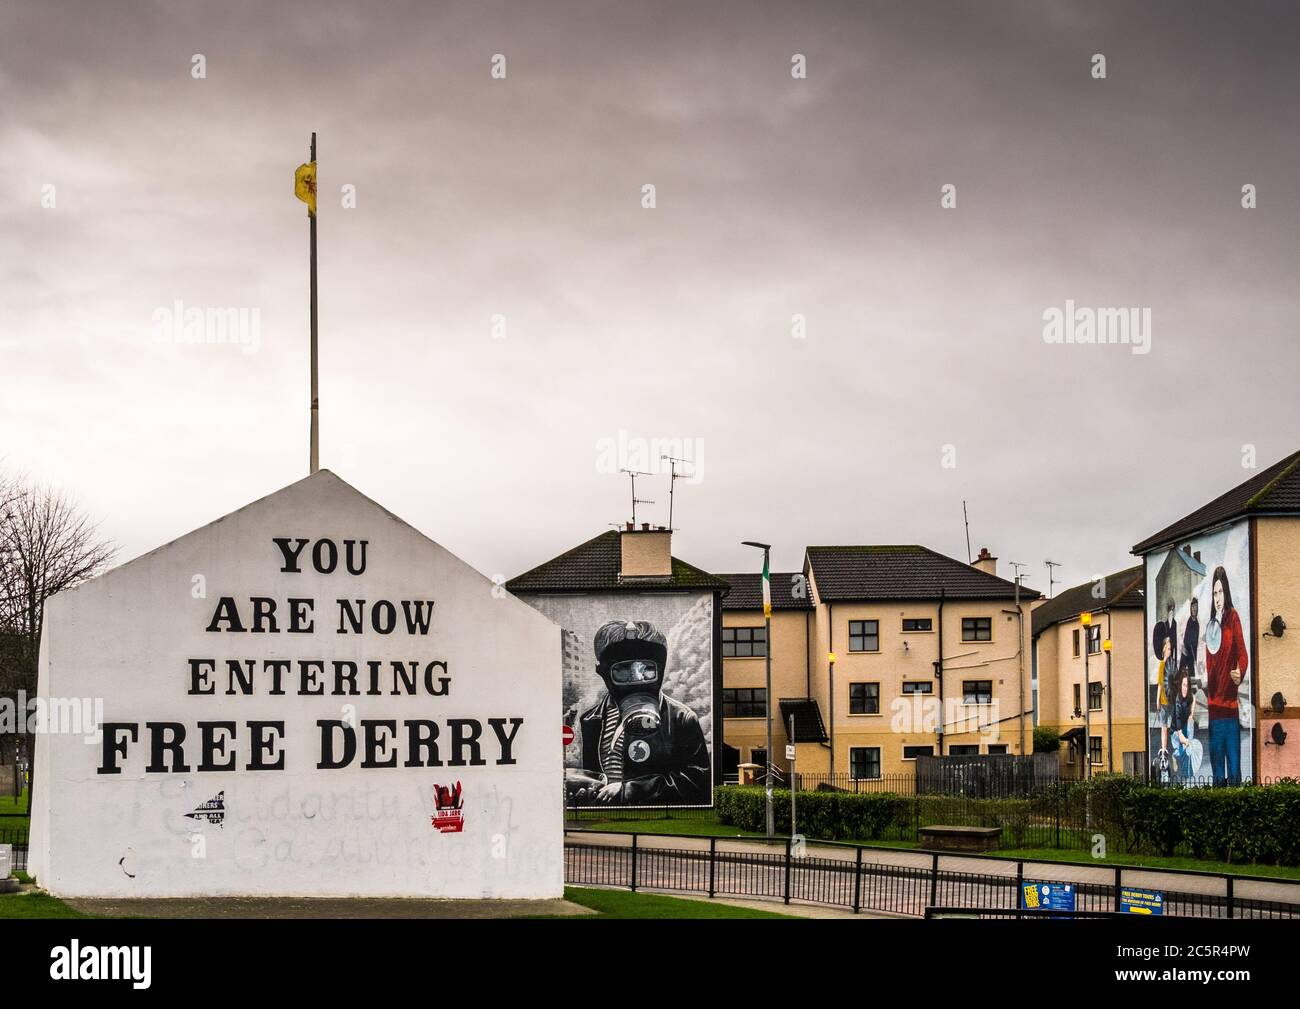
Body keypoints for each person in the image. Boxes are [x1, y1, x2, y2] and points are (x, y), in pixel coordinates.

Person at [569, 619, 711, 805]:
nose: (636, 679)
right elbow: (592, 775)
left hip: (652, 820)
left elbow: (697, 782)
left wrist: (629, 790)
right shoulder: (590, 720)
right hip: (603, 821)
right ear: (602, 672)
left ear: (660, 670)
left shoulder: (681, 718)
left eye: (646, 669)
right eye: (622, 670)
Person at [1204, 566, 1249, 786]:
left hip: (1230, 710)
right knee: (1217, 776)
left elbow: (1243, 654)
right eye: (1214, 593)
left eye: (1220, 592)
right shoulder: (1211, 625)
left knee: (1234, 773)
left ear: (1226, 592)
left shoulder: (1233, 618)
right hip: (1214, 711)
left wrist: (1240, 672)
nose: (1217, 598)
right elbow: (1209, 662)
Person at [1169, 661, 1197, 784]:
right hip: (1176, 731)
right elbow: (1178, 720)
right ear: (1180, 685)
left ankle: (1186, 775)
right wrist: (1183, 738)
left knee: (1187, 750)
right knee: (1180, 752)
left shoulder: (1190, 696)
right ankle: (1175, 756)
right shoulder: (1178, 701)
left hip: (1185, 726)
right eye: (1183, 685)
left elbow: (1194, 699)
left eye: (1187, 685)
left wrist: (1192, 714)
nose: (1184, 688)